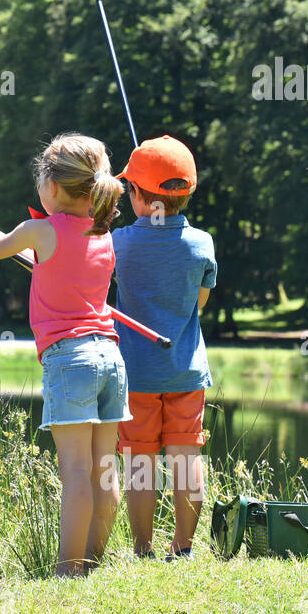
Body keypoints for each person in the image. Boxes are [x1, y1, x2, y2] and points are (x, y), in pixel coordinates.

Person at [0, 133, 127, 578]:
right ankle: (90, 562)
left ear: (51, 187)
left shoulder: (40, 230)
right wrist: (6, 241)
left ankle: (68, 572)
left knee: (74, 471)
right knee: (103, 471)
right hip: (110, 356)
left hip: (70, 360)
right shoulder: (103, 233)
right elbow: (46, 256)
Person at [111, 136, 216, 561]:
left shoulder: (119, 242)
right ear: (186, 192)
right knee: (186, 456)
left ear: (136, 194)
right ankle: (185, 547)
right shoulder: (201, 244)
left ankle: (143, 549)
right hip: (186, 372)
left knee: (139, 463)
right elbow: (200, 303)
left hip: (135, 373)